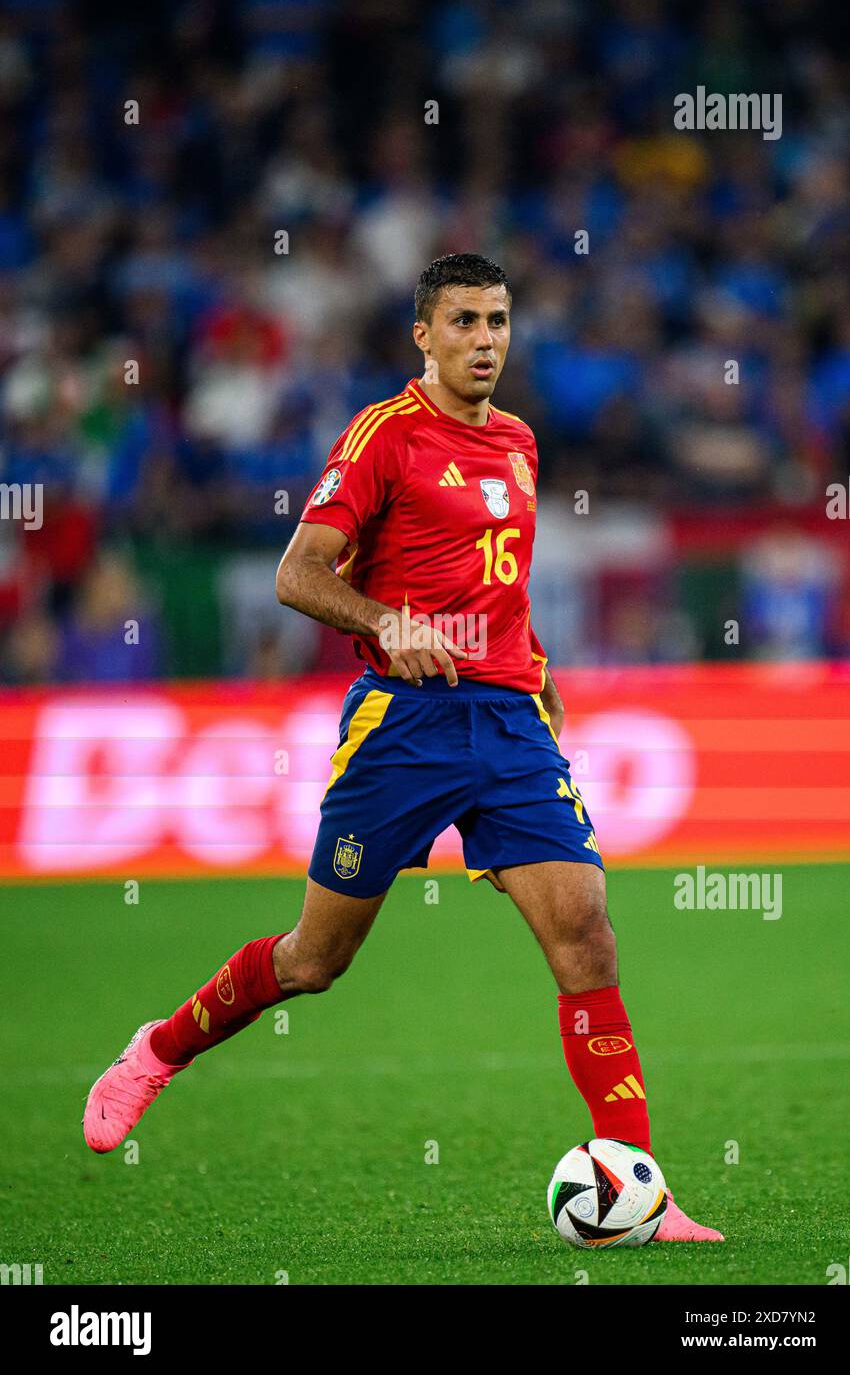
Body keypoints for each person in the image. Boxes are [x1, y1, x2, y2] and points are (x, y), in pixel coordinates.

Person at [83, 253, 722, 1241]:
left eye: (498, 319)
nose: (484, 339)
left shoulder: (517, 441)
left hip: (508, 722)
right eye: (463, 321)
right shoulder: (382, 437)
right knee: (313, 960)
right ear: (422, 334)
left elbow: (498, 591)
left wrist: (541, 692)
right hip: (402, 727)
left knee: (585, 935)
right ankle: (157, 1050)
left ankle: (641, 1185)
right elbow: (300, 574)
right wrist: (389, 621)